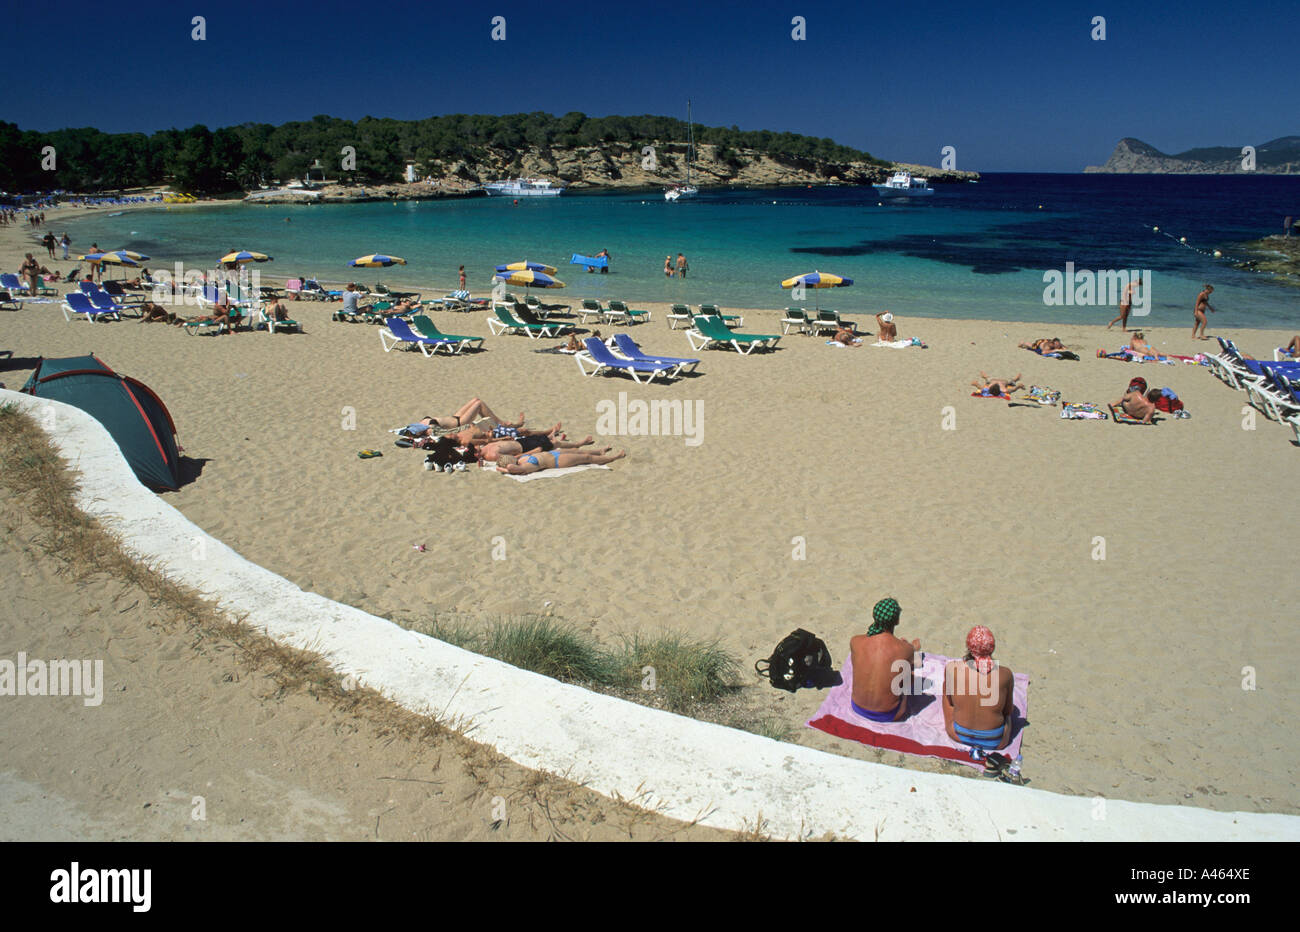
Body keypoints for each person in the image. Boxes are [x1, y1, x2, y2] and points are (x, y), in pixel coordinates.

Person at [943, 626, 1015, 755]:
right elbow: (1008, 711)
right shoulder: (1006, 674)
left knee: (946, 688)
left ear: (969, 647)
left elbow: (950, 702)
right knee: (1007, 716)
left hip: (959, 734)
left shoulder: (952, 669)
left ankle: (954, 721)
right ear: (992, 647)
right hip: (997, 741)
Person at [848, 598, 919, 722]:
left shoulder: (855, 641)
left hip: (857, 706)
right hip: (889, 715)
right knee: (909, 676)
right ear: (897, 621)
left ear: (874, 616)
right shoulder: (906, 650)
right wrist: (912, 648)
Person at [407, 399, 524, 433]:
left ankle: (503, 423)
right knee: (478, 404)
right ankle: (505, 424)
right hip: (460, 422)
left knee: (476, 400)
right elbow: (438, 433)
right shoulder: (429, 427)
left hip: (455, 417)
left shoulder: (422, 421)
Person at [496, 448, 626, 475]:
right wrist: (503, 468)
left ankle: (599, 451)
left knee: (576, 450)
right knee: (586, 458)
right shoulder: (523, 467)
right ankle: (614, 457)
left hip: (553, 453)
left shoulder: (520, 459)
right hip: (556, 461)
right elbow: (510, 469)